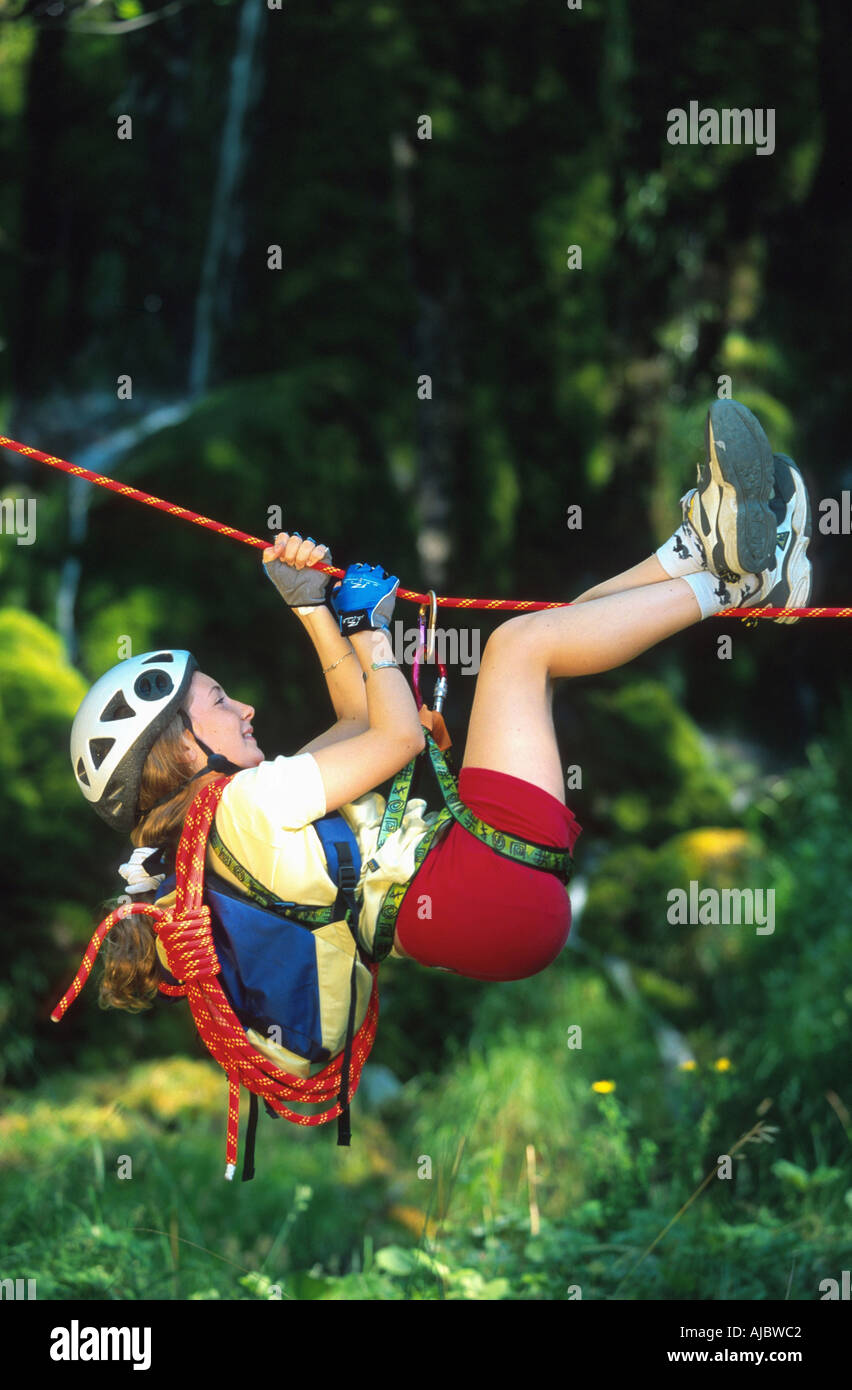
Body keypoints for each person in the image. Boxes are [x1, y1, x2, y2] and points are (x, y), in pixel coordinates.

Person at [70, 399, 812, 1016]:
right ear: (182, 752)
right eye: (221, 702)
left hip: (480, 910)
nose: (248, 707)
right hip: (476, 888)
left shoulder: (228, 833)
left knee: (545, 651)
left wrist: (312, 610)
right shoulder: (245, 813)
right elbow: (393, 736)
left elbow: (360, 723)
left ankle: (693, 555)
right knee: (519, 649)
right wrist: (369, 630)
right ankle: (741, 582)